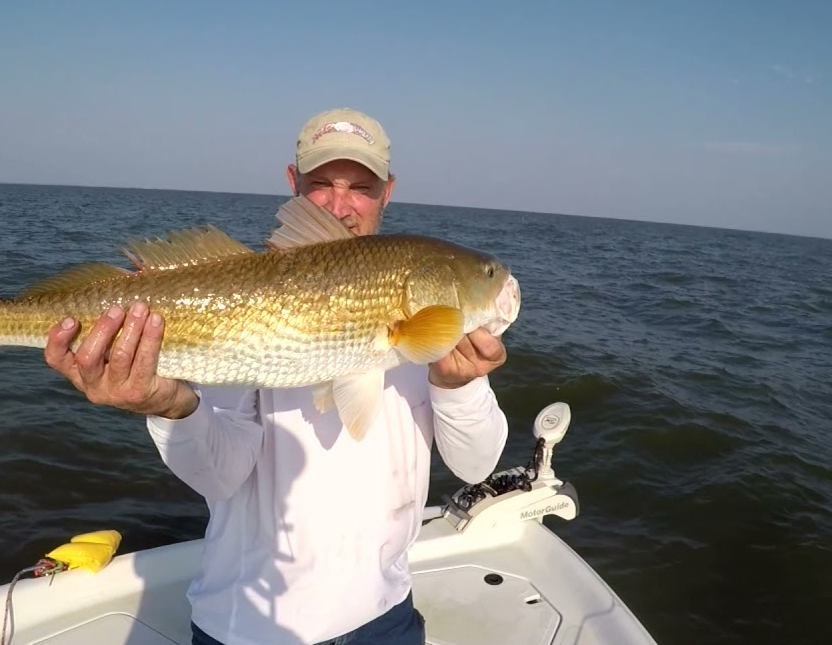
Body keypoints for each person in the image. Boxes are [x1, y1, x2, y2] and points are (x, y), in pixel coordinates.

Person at [43, 107, 511, 645]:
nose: (341, 205)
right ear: (292, 184)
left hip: (388, 616)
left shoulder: (432, 333)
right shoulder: (250, 297)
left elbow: (476, 464)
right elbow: (219, 476)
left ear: (388, 191)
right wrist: (169, 406)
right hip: (250, 629)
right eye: (320, 185)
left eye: (361, 187)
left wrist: (459, 386)